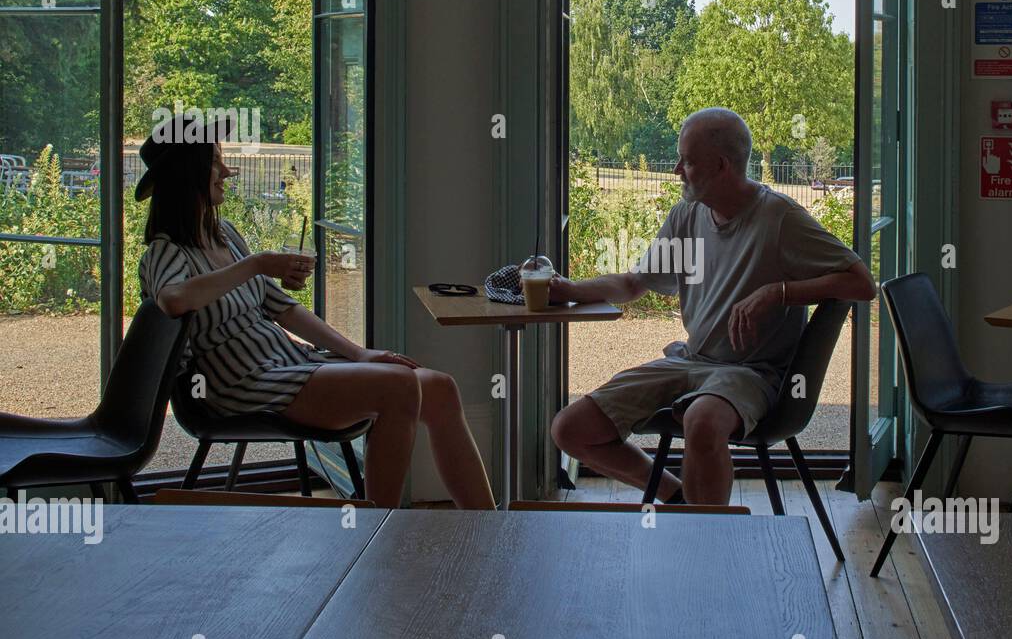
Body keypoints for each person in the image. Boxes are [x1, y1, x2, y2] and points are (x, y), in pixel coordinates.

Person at [135, 116, 494, 509]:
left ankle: (487, 526)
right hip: (241, 384)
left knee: (440, 387)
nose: (227, 170)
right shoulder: (165, 251)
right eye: (216, 160)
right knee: (398, 386)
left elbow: (282, 308)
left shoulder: (227, 237)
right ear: (189, 173)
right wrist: (255, 264)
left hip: (287, 363)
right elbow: (172, 299)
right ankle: (379, 531)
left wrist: (359, 354)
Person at [549, 108, 876, 505]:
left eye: (686, 160)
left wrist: (779, 292)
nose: (675, 170)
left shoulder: (780, 218)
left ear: (721, 166)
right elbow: (634, 284)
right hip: (690, 361)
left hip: (753, 373)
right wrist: (568, 289)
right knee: (570, 429)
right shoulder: (686, 215)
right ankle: (681, 501)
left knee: (701, 422)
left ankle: (711, 543)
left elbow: (862, 284)